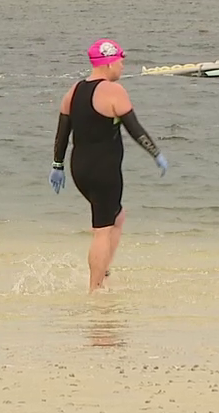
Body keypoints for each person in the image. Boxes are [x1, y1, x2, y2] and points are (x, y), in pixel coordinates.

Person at [50, 39, 169, 292]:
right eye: (121, 61)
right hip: (104, 171)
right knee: (102, 229)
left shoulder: (74, 91)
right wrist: (156, 153)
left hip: (79, 169)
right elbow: (135, 129)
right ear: (109, 62)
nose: (123, 66)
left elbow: (62, 133)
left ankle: (103, 273)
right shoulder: (114, 92)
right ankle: (95, 289)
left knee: (116, 217)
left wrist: (57, 165)